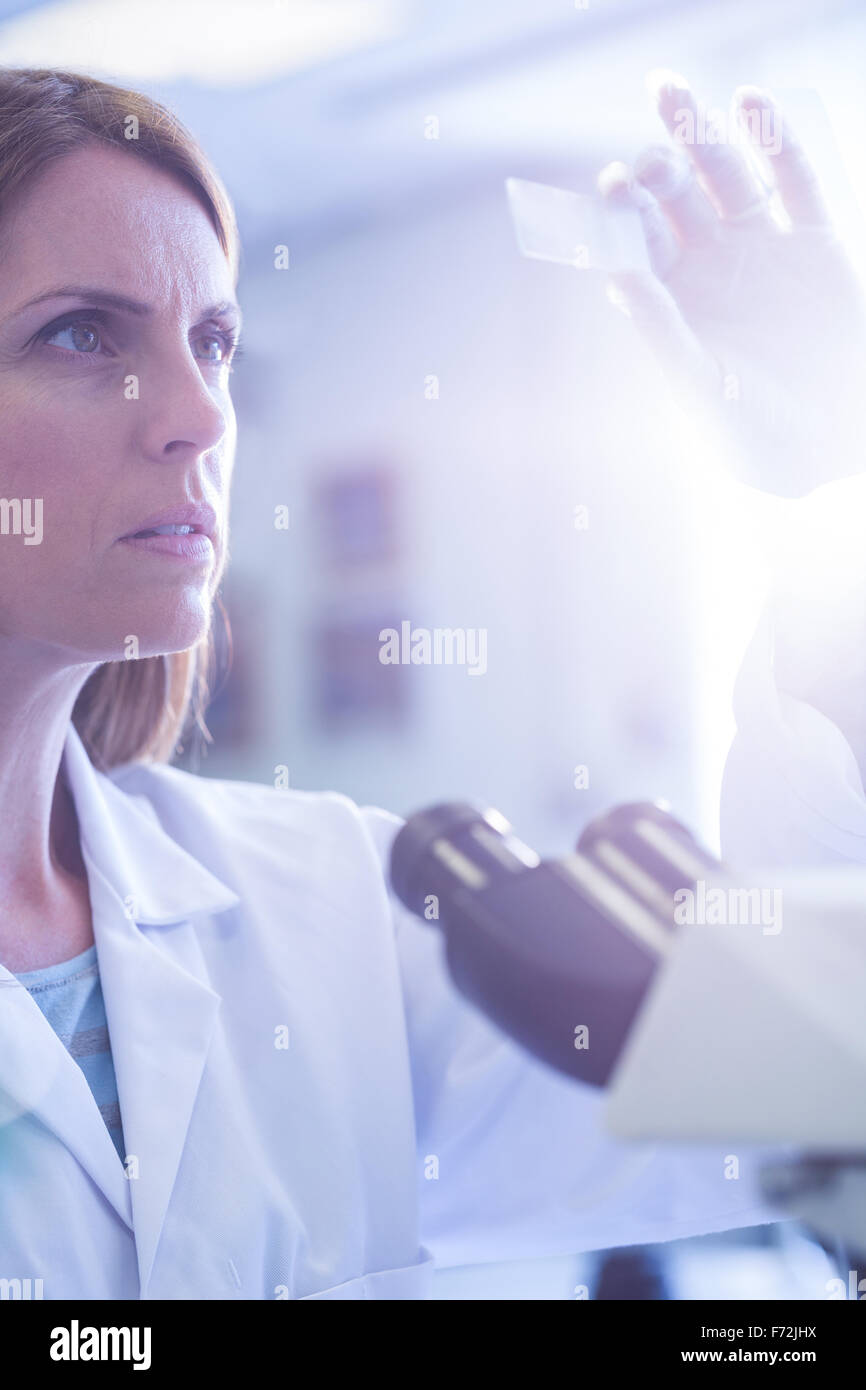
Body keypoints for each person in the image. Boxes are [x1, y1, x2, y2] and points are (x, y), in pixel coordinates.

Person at [0, 65, 849, 1302]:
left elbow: (810, 1087)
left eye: (215, 340)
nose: (195, 412)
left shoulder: (328, 913)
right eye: (83, 334)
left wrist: (831, 483)